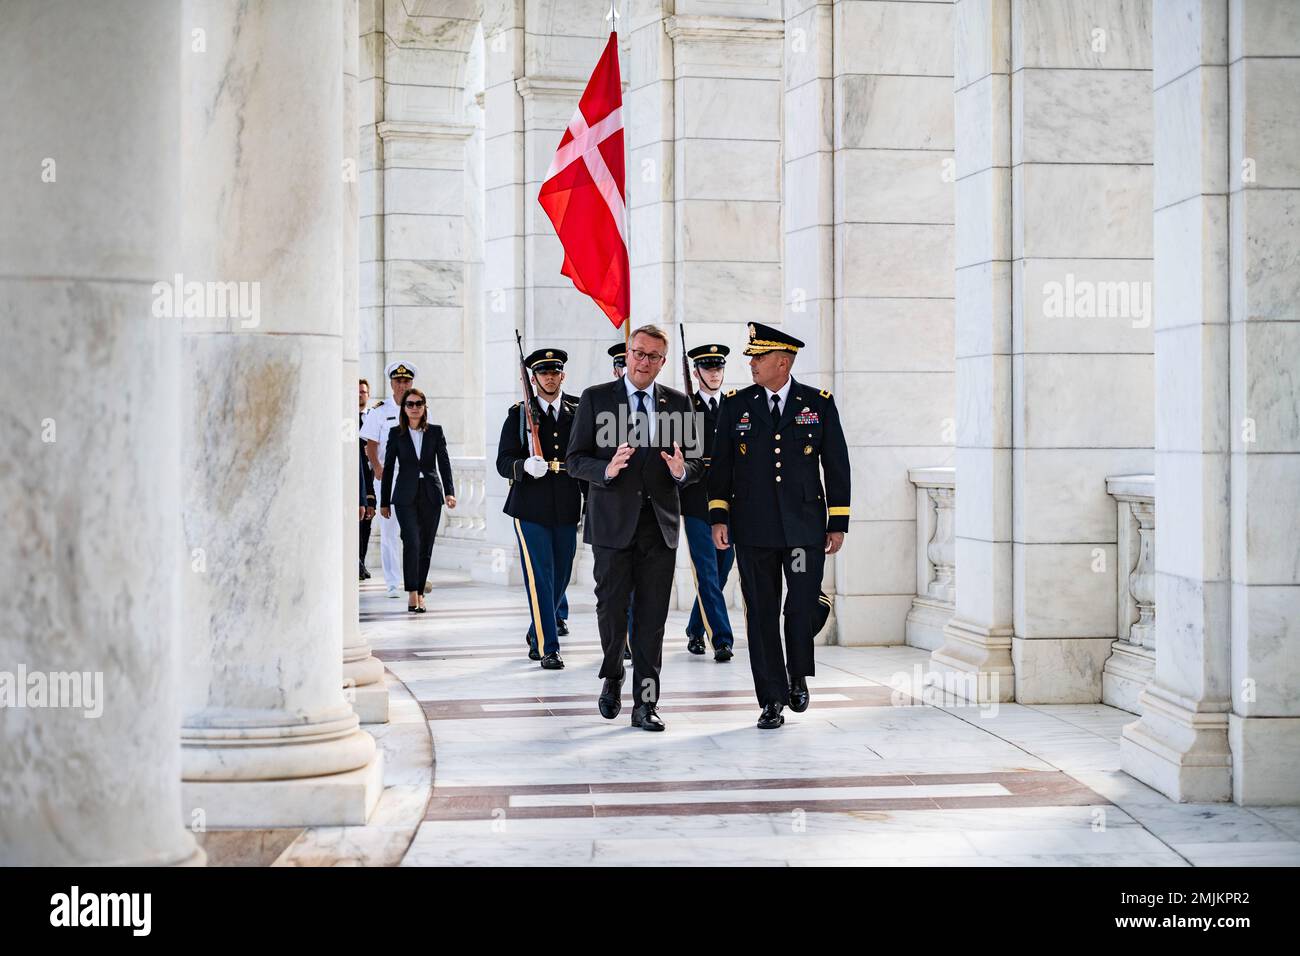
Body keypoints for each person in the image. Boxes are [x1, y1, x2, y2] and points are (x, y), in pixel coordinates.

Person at [708, 322, 851, 730]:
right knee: (762, 613)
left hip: (804, 529)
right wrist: (719, 516)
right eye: (752, 357)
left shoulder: (817, 403)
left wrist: (837, 521)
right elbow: (722, 467)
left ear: (782, 362)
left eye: (759, 357)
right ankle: (771, 698)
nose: (751, 364)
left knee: (801, 603)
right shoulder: (736, 405)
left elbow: (836, 466)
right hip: (753, 529)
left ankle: (797, 674)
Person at [566, 324, 704, 732]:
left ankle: (646, 703)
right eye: (638, 353)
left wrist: (683, 471)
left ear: (663, 362)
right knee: (611, 608)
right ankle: (612, 674)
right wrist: (605, 469)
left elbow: (696, 464)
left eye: (653, 357)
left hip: (658, 528)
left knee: (652, 617)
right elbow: (575, 459)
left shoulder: (679, 404)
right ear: (627, 354)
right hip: (611, 526)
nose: (644, 362)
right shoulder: (595, 399)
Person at [496, 348, 583, 670]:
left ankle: (537, 633)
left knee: (561, 577)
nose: (549, 377)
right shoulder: (519, 414)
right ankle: (549, 646)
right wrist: (523, 465)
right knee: (540, 578)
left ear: (563, 375)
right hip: (530, 507)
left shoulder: (578, 410)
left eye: (554, 371)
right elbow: (503, 461)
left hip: (567, 504)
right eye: (543, 373)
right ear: (533, 379)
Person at [680, 342, 736, 661]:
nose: (714, 373)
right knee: (707, 571)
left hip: (729, 502)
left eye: (718, 368)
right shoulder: (684, 408)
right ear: (696, 372)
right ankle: (722, 639)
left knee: (722, 569)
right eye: (708, 368)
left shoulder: (735, 405)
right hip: (697, 500)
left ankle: (695, 629)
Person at [380, 387, 456, 612]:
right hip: (404, 495)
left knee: (425, 546)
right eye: (410, 404)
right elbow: (389, 468)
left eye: (419, 403)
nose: (415, 408)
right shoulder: (396, 434)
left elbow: (444, 463)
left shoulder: (435, 432)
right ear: (404, 409)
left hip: (431, 494)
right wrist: (384, 502)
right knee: (411, 541)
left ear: (425, 407)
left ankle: (421, 592)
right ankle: (412, 593)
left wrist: (449, 492)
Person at [360, 361, 416, 598]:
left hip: (414, 479)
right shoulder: (379, 412)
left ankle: (415, 578)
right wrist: (379, 470)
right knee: (390, 532)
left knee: (414, 531)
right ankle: (393, 581)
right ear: (391, 383)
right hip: (388, 480)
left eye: (406, 381)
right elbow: (370, 445)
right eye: (398, 381)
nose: (402, 385)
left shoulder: (420, 407)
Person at [358, 379, 377, 581]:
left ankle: (361, 561)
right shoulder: (345, 418)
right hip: (353, 476)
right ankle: (356, 563)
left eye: (363, 392)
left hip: (370, 477)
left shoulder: (373, 417)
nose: (360, 395)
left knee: (366, 523)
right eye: (357, 392)